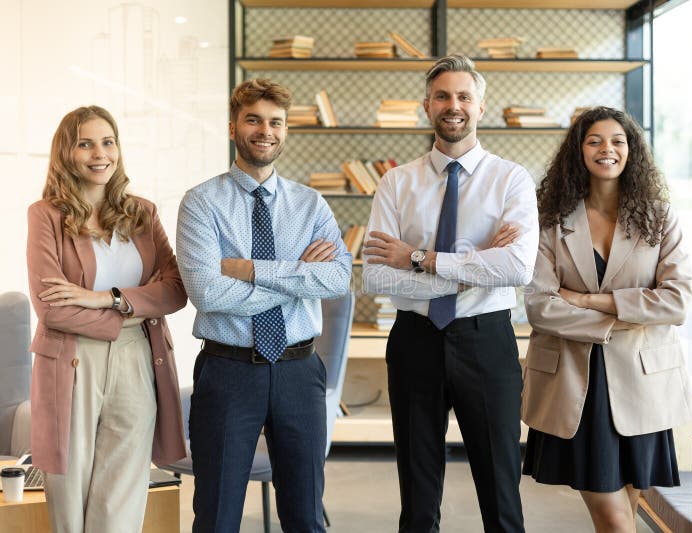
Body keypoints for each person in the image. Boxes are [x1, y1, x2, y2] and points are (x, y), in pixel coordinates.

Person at [362, 54, 537, 533]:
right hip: (415, 339)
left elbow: (518, 267)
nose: (452, 105)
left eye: (464, 96)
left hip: (487, 341)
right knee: (417, 495)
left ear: (481, 107)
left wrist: (420, 258)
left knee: (501, 489)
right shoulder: (397, 182)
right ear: (427, 106)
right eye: (442, 96)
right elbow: (376, 276)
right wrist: (479, 265)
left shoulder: (512, 180)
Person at [176, 78, 352, 533]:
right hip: (228, 371)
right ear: (233, 127)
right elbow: (207, 293)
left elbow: (337, 278)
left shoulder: (311, 204)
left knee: (306, 517)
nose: (265, 130)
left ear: (287, 130)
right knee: (217, 517)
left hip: (299, 370)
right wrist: (298, 277)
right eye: (253, 119)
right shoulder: (200, 203)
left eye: (276, 122)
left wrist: (254, 269)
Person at [521, 106, 692, 532]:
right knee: (615, 519)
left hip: (642, 386)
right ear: (578, 151)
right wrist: (624, 315)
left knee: (624, 515)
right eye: (595, 141)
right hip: (574, 386)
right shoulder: (549, 222)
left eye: (618, 141)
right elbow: (540, 306)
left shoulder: (660, 218)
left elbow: (675, 304)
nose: (607, 150)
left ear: (631, 151)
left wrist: (587, 300)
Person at [26, 105, 187, 533]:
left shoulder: (142, 213)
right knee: (70, 491)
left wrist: (105, 299)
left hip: (138, 360)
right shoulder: (46, 216)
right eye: (86, 143)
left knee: (122, 493)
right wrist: (131, 311)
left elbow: (175, 290)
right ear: (67, 152)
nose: (100, 154)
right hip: (72, 360)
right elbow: (52, 308)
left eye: (108, 141)